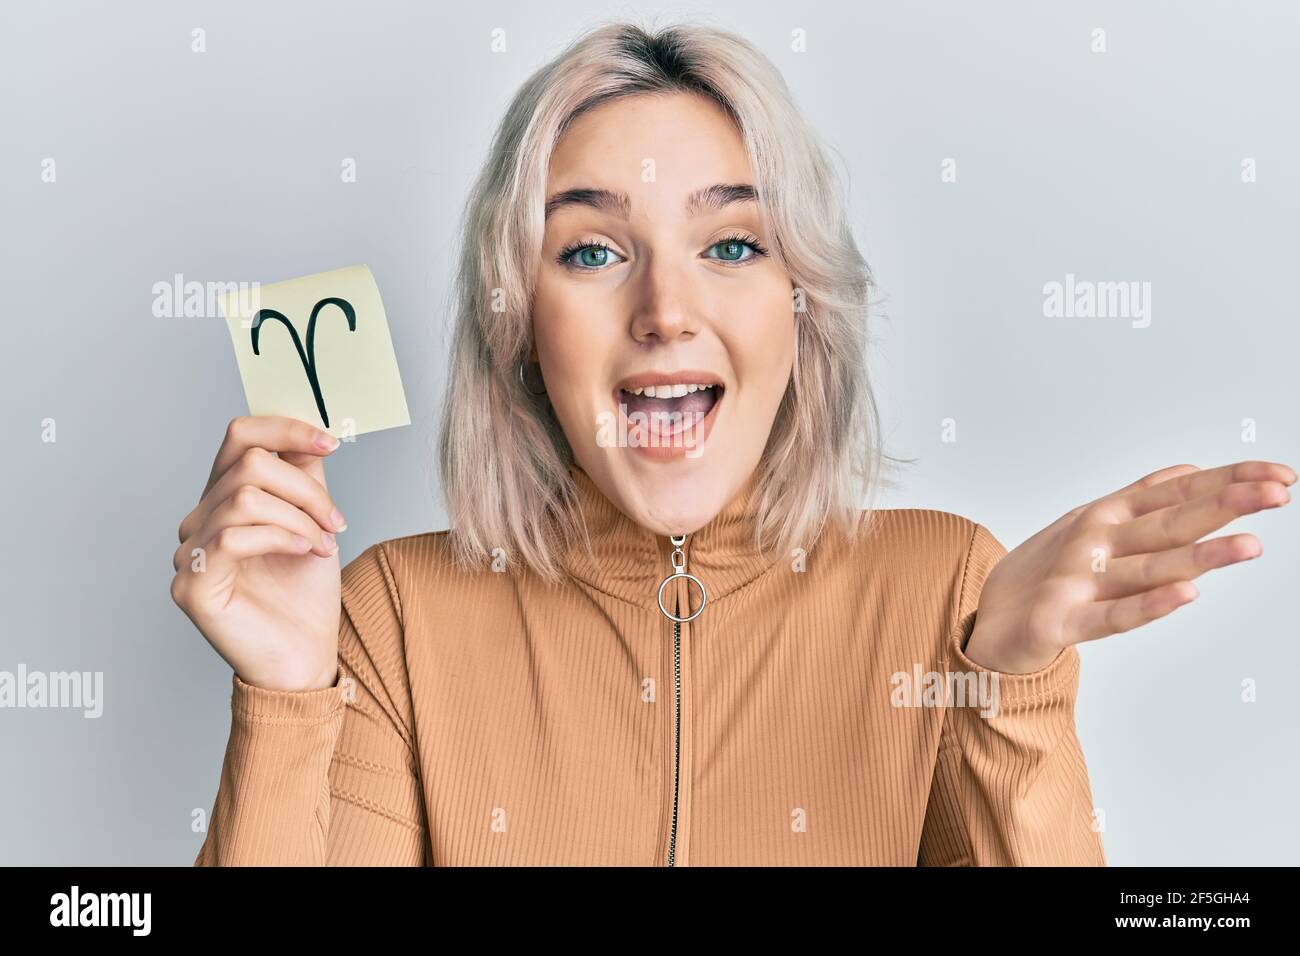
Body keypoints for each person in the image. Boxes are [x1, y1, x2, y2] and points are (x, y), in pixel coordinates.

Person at [171, 21, 1294, 866]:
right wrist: (284, 695)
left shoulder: (944, 588)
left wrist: (1008, 693)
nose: (665, 308)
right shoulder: (391, 617)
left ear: (801, 297)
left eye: (732, 243)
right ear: (517, 321)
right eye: (593, 252)